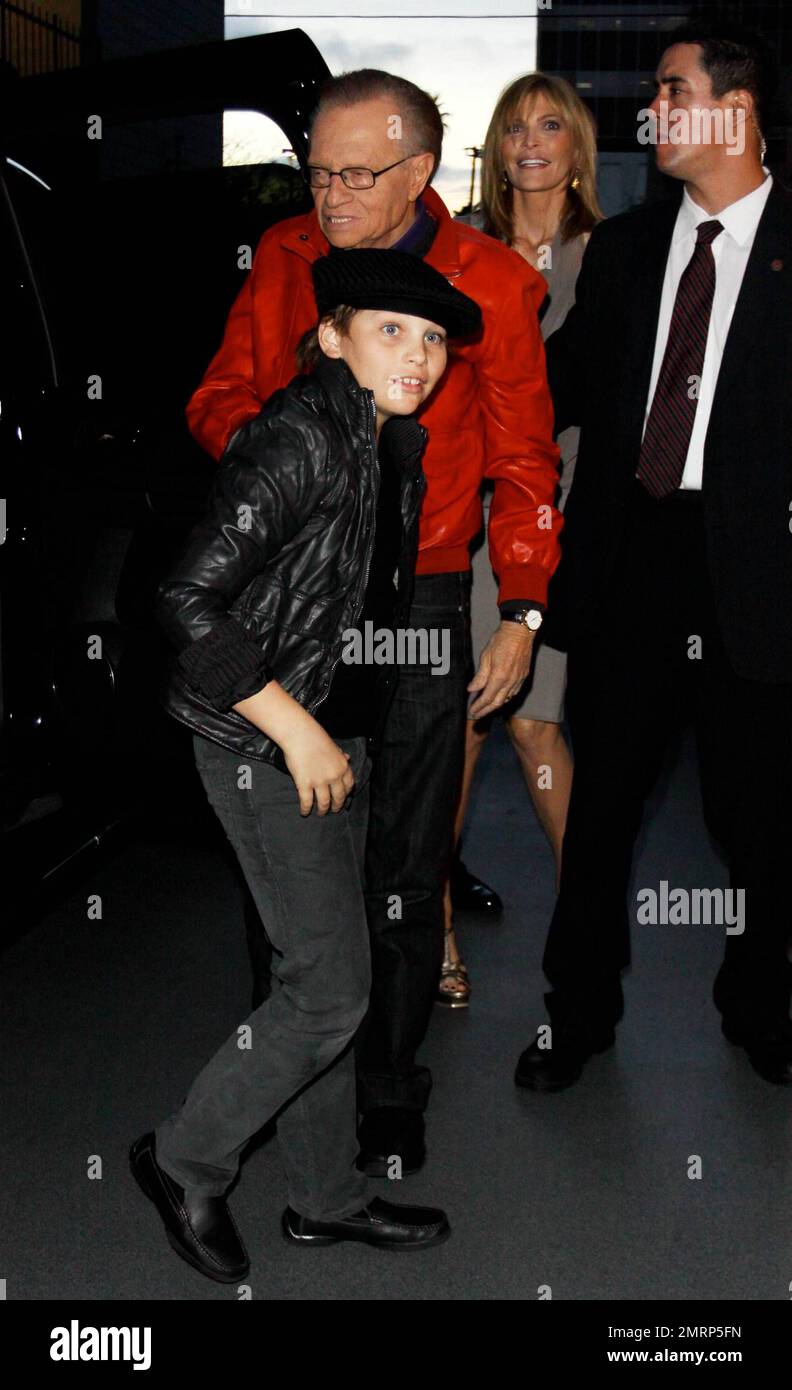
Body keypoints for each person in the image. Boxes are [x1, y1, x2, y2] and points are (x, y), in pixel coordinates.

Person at [186, 68, 561, 1175]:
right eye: (318, 170)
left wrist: (524, 611)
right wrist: (294, 472)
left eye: (356, 174)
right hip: (300, 598)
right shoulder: (285, 261)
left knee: (407, 861)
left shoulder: (494, 284)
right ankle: (295, 1085)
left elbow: (527, 461)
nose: (330, 193)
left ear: (418, 172)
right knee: (297, 865)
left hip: (431, 599)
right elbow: (216, 399)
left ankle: (390, 1097)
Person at [129, 249, 483, 1282]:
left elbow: (338, 605)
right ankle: (184, 1158)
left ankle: (324, 1199)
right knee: (329, 992)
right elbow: (184, 600)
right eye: (390, 330)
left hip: (334, 736)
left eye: (432, 340)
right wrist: (296, 728)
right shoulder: (296, 440)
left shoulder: (383, 439)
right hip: (261, 743)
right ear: (331, 334)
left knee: (330, 976)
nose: (417, 355)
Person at [514, 22, 792, 1092]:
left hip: (757, 572)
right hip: (634, 562)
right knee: (602, 814)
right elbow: (554, 387)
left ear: (739, 106)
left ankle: (759, 1000)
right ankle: (575, 1014)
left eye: (672, 91)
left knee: (761, 821)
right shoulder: (629, 252)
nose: (653, 112)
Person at [441, 73, 603, 1007]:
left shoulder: (613, 253)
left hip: (563, 514)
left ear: (577, 146)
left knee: (537, 721)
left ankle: (583, 941)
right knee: (466, 721)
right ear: (496, 148)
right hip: (471, 510)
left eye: (551, 126)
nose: (532, 143)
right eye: (515, 129)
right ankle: (437, 930)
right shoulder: (461, 248)